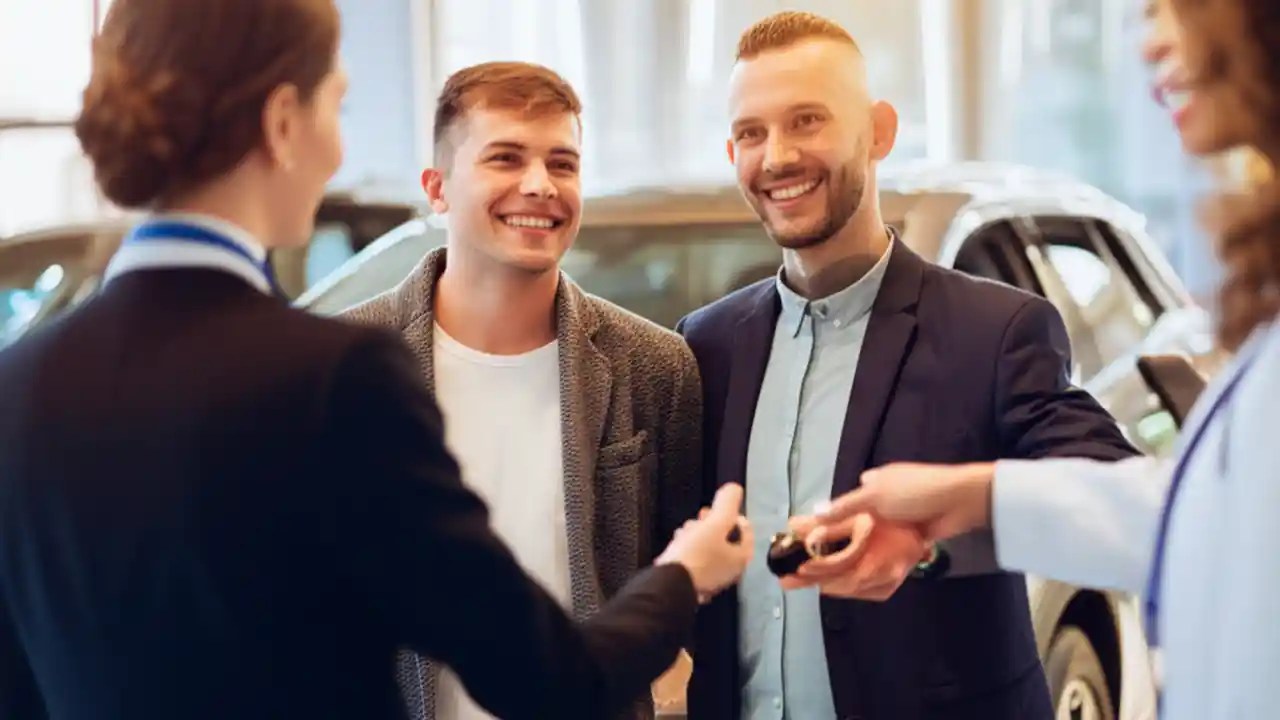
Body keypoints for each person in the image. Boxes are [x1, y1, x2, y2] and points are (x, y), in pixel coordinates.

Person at [0, 2, 753, 719]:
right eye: (339, 106)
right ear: (283, 123)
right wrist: (684, 574)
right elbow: (551, 680)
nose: (338, 149)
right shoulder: (332, 376)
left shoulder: (20, 385)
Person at [799, 1, 1280, 718]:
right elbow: (1207, 522)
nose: (1149, 43)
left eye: (1172, 8)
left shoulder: (995, 324)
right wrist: (974, 497)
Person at [675, 11, 1137, 720]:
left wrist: (931, 543)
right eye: (751, 133)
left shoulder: (996, 332)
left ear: (879, 131)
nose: (776, 157)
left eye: (807, 121)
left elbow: (1109, 493)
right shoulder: (706, 345)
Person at [340, 61, 704, 720]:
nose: (539, 185)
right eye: (505, 158)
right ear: (437, 188)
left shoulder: (655, 366)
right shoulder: (347, 364)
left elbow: (683, 592)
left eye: (562, 164)